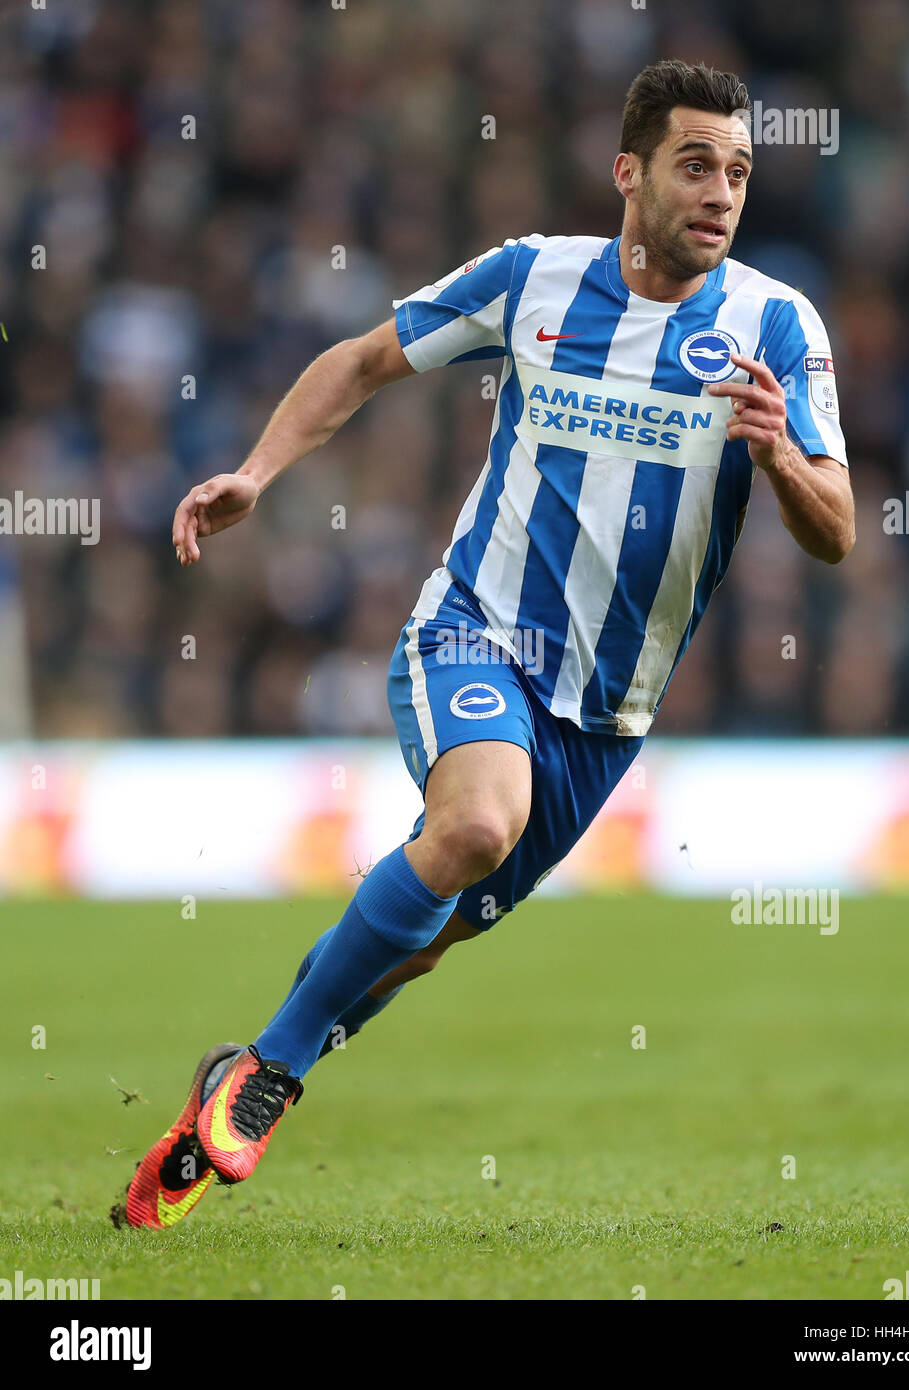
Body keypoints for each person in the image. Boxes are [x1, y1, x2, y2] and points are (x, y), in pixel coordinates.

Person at [121, 59, 854, 1229]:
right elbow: (363, 359)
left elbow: (837, 531)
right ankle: (271, 1073)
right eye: (694, 164)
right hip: (477, 631)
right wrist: (256, 472)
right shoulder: (531, 280)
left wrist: (777, 459)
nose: (720, 192)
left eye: (739, 171)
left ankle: (249, 1070)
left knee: (414, 943)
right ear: (629, 172)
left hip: (606, 717)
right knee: (471, 824)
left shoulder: (774, 322)